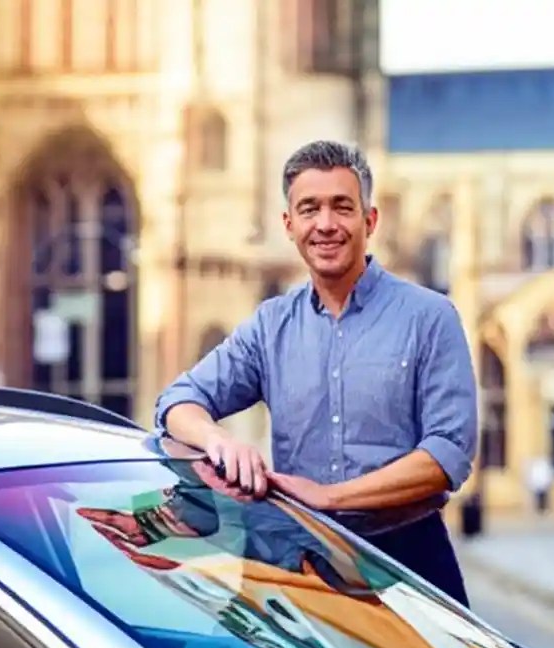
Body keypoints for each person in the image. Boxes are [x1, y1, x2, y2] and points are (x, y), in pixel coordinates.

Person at [153, 139, 478, 607]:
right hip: (301, 563)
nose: (325, 225)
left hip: (410, 562)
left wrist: (330, 497)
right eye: (309, 209)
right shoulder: (270, 326)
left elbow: (448, 454)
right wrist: (218, 442)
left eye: (342, 208)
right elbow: (178, 402)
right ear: (289, 225)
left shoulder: (430, 317)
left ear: (370, 220)